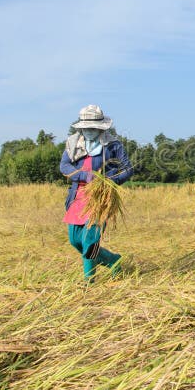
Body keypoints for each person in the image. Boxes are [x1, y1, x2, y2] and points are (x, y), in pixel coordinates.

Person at [60, 104, 133, 282]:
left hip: (100, 199)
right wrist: (84, 175)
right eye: (87, 128)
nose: (90, 131)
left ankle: (89, 281)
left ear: (101, 128)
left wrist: (108, 181)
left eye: (94, 128)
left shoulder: (112, 145)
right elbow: (65, 166)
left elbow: (127, 169)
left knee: (90, 241)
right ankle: (112, 260)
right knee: (75, 240)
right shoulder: (73, 144)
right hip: (78, 197)